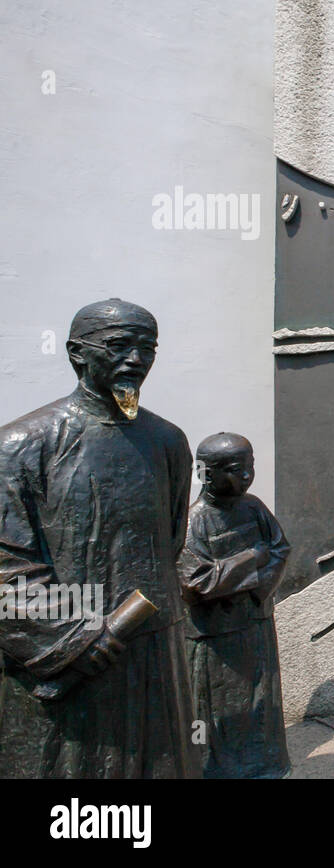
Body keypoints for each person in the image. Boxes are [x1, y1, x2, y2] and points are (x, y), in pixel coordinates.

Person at [0, 299, 199, 778]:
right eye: (118, 346)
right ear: (76, 353)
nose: (135, 359)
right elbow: (6, 568)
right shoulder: (22, 445)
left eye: (146, 348)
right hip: (68, 657)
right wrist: (75, 638)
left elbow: (169, 541)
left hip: (151, 644)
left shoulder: (168, 442)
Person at [179, 432, 291, 778]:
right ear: (206, 474)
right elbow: (196, 582)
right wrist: (249, 558)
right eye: (234, 469)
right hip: (213, 638)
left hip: (255, 623)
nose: (245, 476)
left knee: (262, 705)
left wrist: (255, 587)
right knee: (213, 715)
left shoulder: (254, 507)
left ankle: (266, 767)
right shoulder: (193, 521)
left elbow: (280, 549)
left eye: (249, 466)